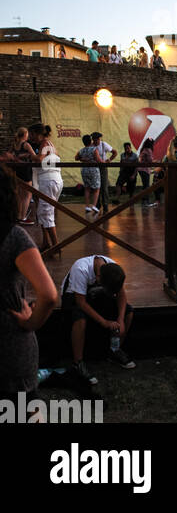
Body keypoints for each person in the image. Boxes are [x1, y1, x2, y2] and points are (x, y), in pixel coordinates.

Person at [0, 165, 58, 406]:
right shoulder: (13, 237)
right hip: (9, 341)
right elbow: (48, 295)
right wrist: (30, 322)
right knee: (25, 409)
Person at [64, 254, 135, 385]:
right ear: (98, 279)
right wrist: (104, 322)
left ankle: (114, 350)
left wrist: (120, 319)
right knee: (80, 319)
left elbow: (121, 295)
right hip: (73, 296)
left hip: (94, 295)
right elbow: (81, 302)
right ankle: (77, 362)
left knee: (128, 312)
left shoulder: (112, 268)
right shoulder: (81, 269)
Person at [32, 126, 61, 255]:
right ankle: (46, 242)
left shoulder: (44, 143)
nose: (31, 138)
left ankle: (56, 245)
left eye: (32, 135)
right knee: (42, 212)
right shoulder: (51, 144)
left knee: (46, 213)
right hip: (53, 179)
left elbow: (39, 159)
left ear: (38, 134)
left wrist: (30, 152)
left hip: (48, 180)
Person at [11, 127, 36, 224]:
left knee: (20, 195)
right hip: (25, 170)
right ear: (25, 135)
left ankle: (19, 216)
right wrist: (26, 156)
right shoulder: (26, 145)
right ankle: (23, 217)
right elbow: (34, 156)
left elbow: (10, 156)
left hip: (17, 171)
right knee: (28, 195)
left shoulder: (15, 144)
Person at [76, 135, 103, 216]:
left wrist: (82, 159)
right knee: (97, 188)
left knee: (87, 188)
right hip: (93, 170)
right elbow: (99, 160)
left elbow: (76, 158)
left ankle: (87, 206)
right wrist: (105, 162)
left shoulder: (82, 150)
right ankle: (94, 206)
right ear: (90, 141)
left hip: (84, 170)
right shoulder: (94, 149)